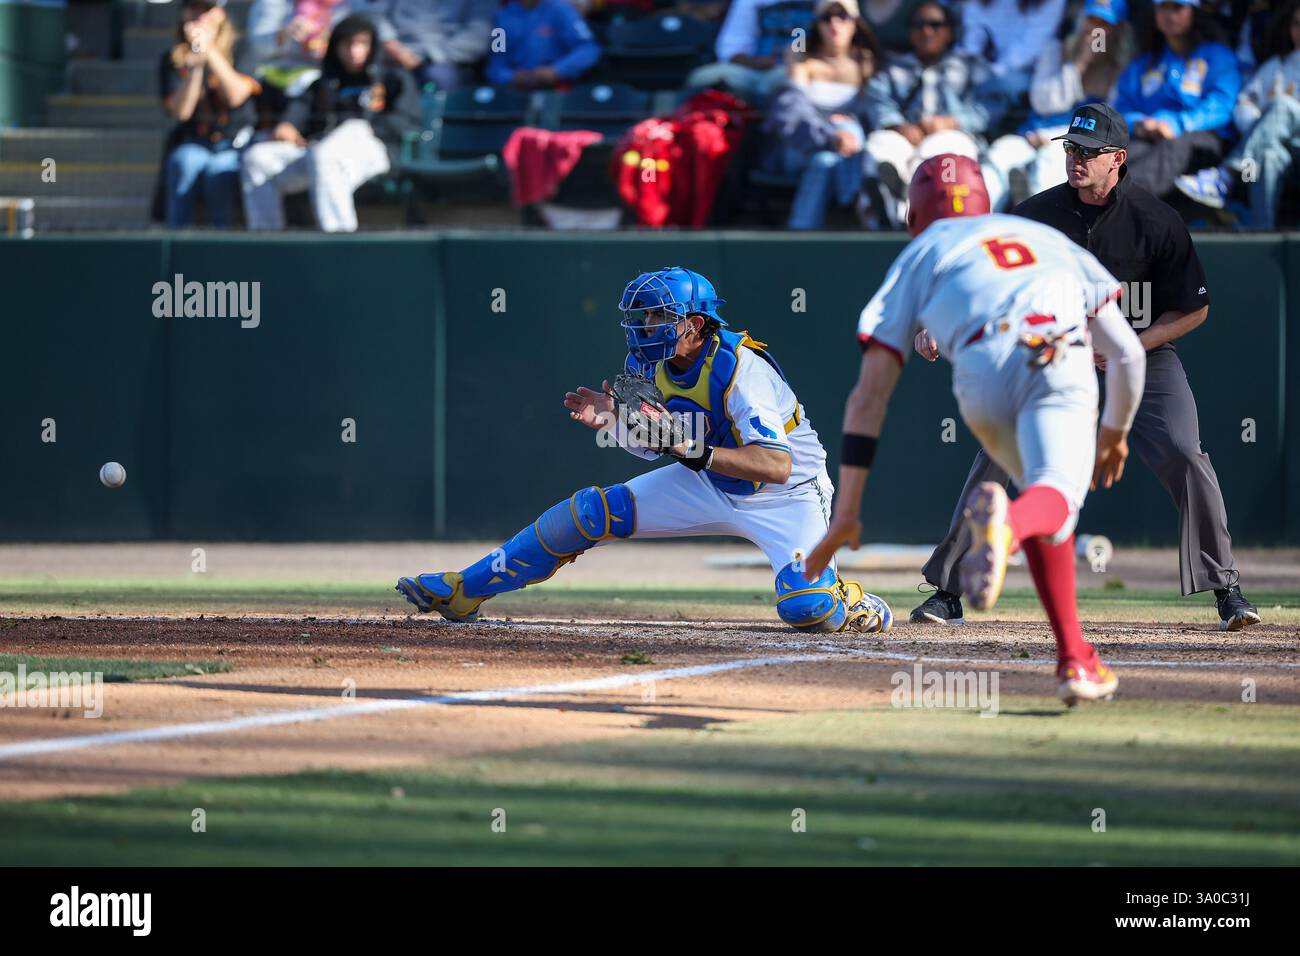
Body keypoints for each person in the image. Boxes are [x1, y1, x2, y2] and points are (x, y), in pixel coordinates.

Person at [805, 154, 1148, 704]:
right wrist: (1115, 433)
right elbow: (1128, 354)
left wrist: (846, 512)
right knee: (1055, 496)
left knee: (1043, 496)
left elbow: (868, 397)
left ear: (914, 217)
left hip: (979, 374)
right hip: (1054, 353)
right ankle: (1009, 529)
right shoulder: (1042, 236)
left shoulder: (919, 254)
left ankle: (1075, 659)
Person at [908, 104, 1262, 633]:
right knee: (999, 452)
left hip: (1143, 357)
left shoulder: (1156, 220)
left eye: (1088, 151)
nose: (1075, 159)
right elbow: (983, 275)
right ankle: (949, 591)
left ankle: (1226, 586)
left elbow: (1194, 307)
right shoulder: (1035, 215)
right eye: (1070, 148)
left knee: (1186, 452)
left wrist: (1137, 345)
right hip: (1056, 355)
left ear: (1118, 158)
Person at [396, 266, 893, 635]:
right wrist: (613, 419)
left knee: (806, 608)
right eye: (642, 316)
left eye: (658, 316)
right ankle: (465, 590)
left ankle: (849, 599)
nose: (645, 326)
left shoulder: (743, 370)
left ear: (695, 324)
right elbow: (653, 449)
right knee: (593, 511)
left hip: (786, 496)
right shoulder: (647, 365)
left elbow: (776, 465)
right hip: (706, 478)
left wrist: (693, 451)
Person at [240, 14, 421, 231]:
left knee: (342, 138)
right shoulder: (323, 84)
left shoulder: (392, 79)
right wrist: (287, 125)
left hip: (373, 149)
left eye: (362, 43)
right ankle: (266, 243)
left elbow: (407, 121)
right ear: (336, 46)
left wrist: (369, 128)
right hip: (320, 151)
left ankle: (339, 243)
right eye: (348, 44)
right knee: (257, 159)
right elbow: (298, 112)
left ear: (372, 46)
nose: (354, 51)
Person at [863, 1, 1008, 220]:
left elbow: (996, 103)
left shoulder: (969, 65)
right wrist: (897, 125)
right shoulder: (894, 67)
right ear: (910, 32)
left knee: (941, 148)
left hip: (952, 138)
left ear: (949, 31)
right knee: (879, 144)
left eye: (935, 24)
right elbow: (876, 100)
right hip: (906, 138)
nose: (926, 30)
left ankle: (909, 214)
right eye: (919, 25)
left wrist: (954, 121)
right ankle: (892, 212)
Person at [985, 0, 1134, 207]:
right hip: (1031, 135)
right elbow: (1043, 103)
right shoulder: (1055, 51)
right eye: (1091, 20)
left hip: (1074, 144)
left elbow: (1109, 124)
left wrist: (1054, 137)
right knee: (1000, 155)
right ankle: (982, 220)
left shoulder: (1120, 71)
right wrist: (1079, 65)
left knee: (1051, 160)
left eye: (1104, 24)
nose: (1094, 30)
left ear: (1118, 30)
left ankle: (1036, 218)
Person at [1175, 0, 1300, 228]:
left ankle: (1227, 175)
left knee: (1282, 106)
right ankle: (1263, 236)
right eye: (1296, 24)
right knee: (1268, 156)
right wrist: (1262, 127)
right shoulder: (1278, 65)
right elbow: (1245, 102)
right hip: (1280, 149)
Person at [761, 0, 884, 228]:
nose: (834, 24)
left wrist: (840, 138)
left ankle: (801, 233)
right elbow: (790, 114)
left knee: (825, 161)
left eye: (843, 17)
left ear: (856, 23)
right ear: (817, 24)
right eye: (827, 17)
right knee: (845, 135)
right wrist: (831, 136)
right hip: (798, 149)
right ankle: (866, 217)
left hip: (839, 155)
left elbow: (874, 114)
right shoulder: (801, 58)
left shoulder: (866, 62)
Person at [1113, 0, 1240, 199]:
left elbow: (1222, 106)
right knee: (1119, 156)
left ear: (1194, 12)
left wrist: (1177, 123)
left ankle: (1122, 202)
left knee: (1174, 146)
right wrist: (1138, 123)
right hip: (1148, 137)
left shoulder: (1217, 55)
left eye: (1178, 7)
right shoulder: (1143, 64)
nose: (1170, 15)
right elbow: (1121, 109)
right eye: (1163, 7)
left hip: (1205, 139)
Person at [160, 0, 261, 227]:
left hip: (235, 142)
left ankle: (219, 244)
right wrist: (196, 65)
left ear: (220, 14)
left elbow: (236, 96)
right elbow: (182, 113)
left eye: (206, 9)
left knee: (220, 170)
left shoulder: (243, 49)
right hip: (195, 141)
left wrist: (210, 50)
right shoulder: (173, 59)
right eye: (193, 9)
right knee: (184, 161)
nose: (199, 16)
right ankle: (178, 242)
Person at [368, 0, 496, 92]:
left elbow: (478, 36)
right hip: (392, 53)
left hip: (445, 62)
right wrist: (390, 42)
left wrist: (429, 56)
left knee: (440, 77)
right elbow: (375, 14)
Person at [957, 0, 1069, 103]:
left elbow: (1026, 54)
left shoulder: (1053, 3)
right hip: (991, 67)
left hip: (1025, 74)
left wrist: (991, 71)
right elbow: (976, 37)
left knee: (1004, 83)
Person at [485, 0, 601, 90]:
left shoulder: (561, 10)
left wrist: (557, 70)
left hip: (558, 90)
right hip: (515, 92)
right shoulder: (503, 17)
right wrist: (512, 77)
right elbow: (496, 66)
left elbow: (588, 49)